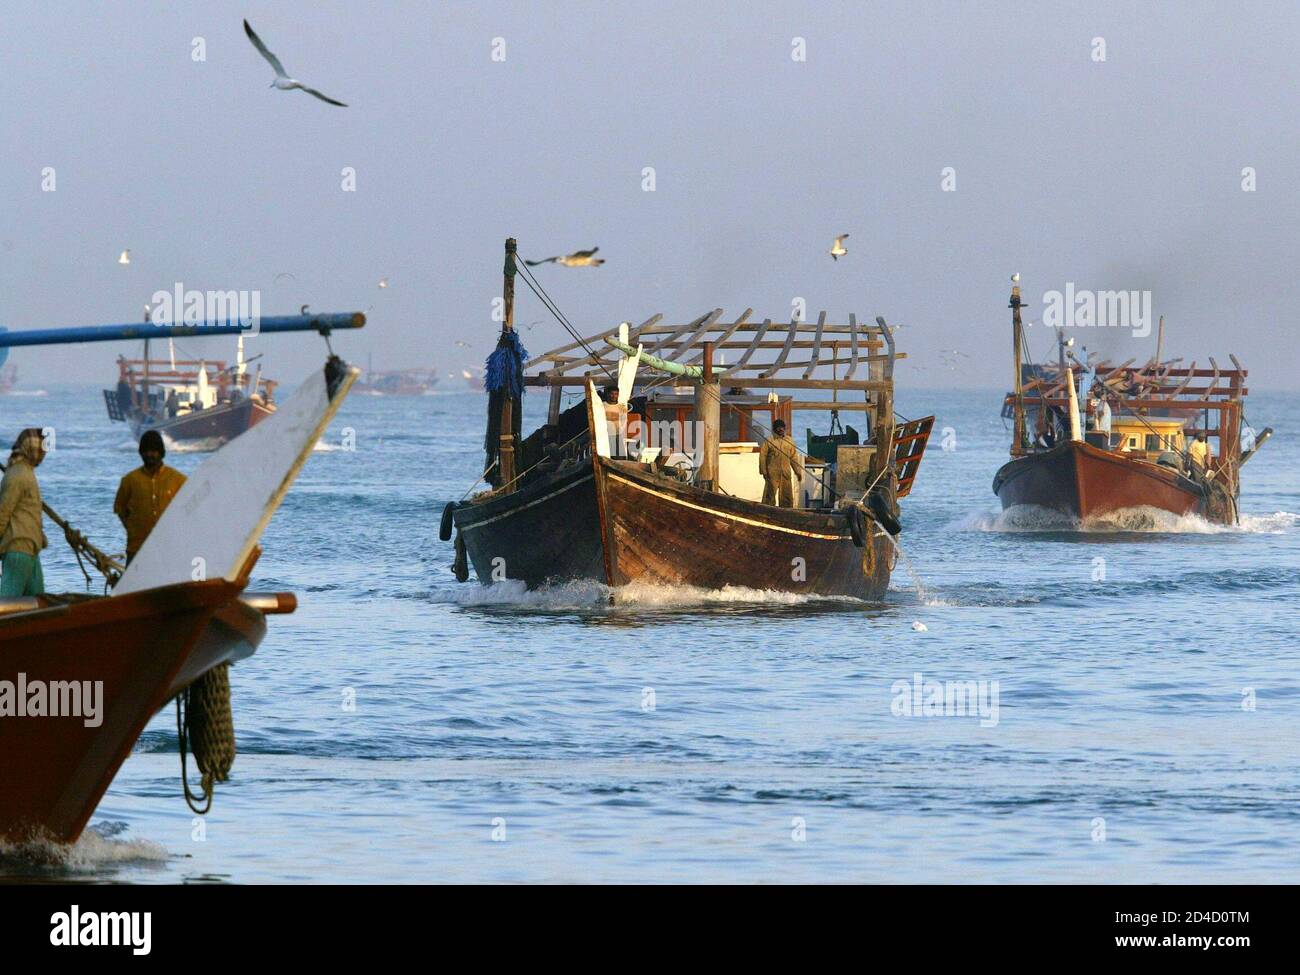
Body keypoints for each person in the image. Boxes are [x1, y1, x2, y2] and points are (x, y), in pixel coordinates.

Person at [114, 430, 187, 564]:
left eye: (154, 451)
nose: (149, 455)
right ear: (141, 453)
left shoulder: (178, 480)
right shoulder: (129, 480)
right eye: (146, 451)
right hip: (137, 549)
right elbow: (120, 509)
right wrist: (132, 529)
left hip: (171, 549)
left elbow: (189, 508)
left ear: (161, 453)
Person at [0, 428, 49, 596]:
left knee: (38, 605)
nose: (43, 454)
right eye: (41, 449)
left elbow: (27, 512)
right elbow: (3, 513)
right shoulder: (16, 475)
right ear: (30, 448)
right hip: (18, 549)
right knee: (7, 604)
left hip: (31, 549)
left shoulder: (26, 472)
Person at [759, 419, 804, 508]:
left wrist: (797, 472)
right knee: (769, 496)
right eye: (778, 428)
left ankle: (787, 514)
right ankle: (766, 512)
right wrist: (763, 471)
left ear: (784, 428)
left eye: (782, 427)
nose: (781, 429)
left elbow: (793, 458)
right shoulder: (769, 440)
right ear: (775, 429)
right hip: (772, 473)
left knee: (786, 497)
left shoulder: (789, 441)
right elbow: (762, 456)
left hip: (785, 473)